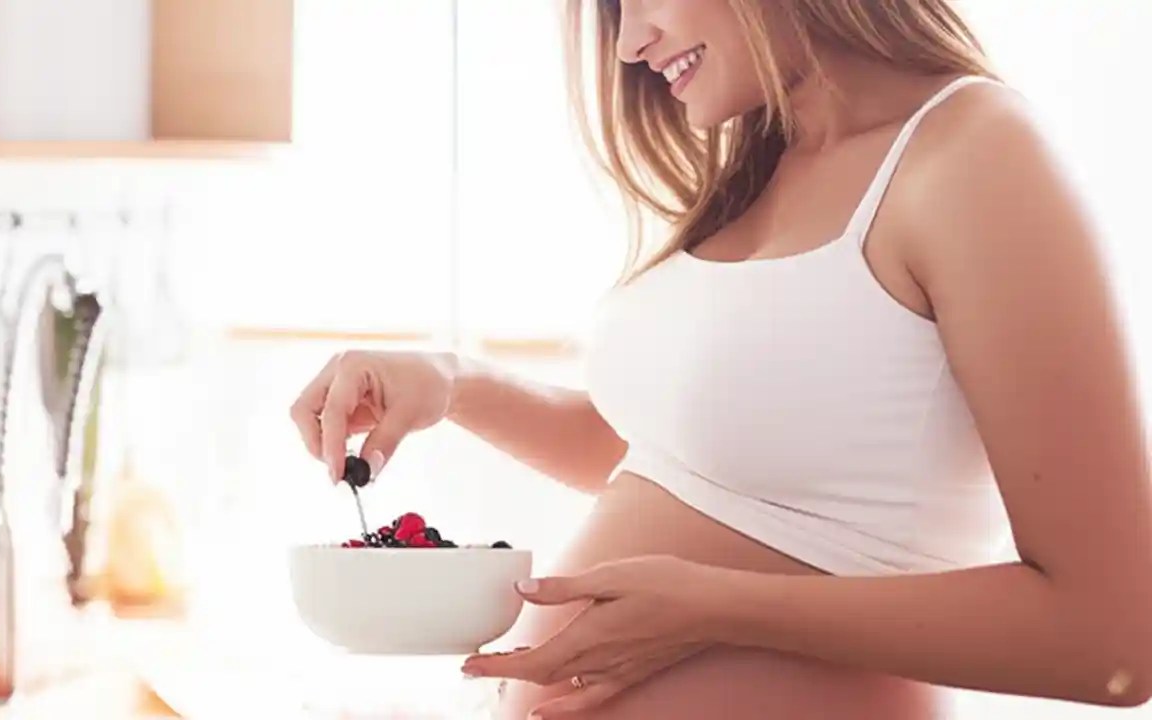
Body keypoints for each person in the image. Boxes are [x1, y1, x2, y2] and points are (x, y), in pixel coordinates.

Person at [291, 0, 1152, 717]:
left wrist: (713, 608)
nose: (628, 44)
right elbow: (682, 462)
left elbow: (1114, 637)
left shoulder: (973, 155)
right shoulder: (766, 166)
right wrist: (452, 383)